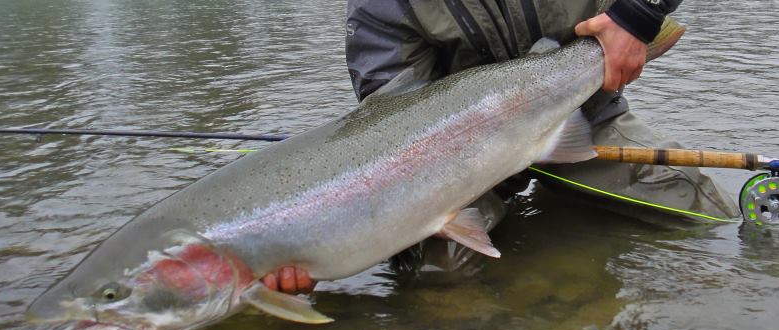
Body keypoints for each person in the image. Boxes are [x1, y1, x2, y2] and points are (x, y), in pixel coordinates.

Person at [267, 0, 738, 292]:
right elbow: (391, 122)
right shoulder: (381, 7)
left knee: (703, 215)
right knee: (439, 277)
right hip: (457, 161)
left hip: (580, 114)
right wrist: (308, 248)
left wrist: (637, 15)